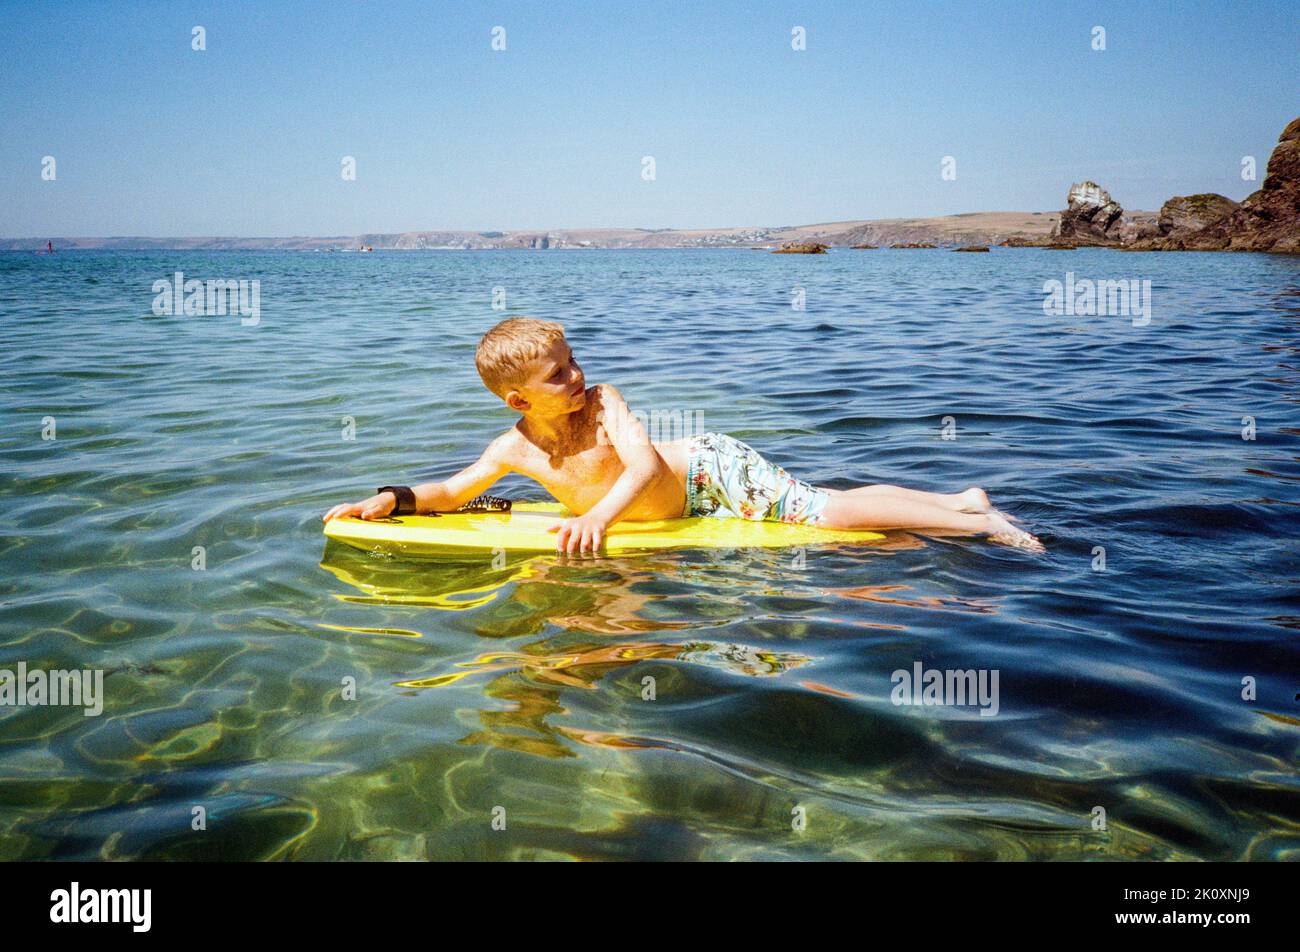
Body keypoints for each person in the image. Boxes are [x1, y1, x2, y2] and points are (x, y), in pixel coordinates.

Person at [323, 317, 1043, 555]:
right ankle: (959, 494)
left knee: (828, 511)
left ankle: (974, 519)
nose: (576, 377)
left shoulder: (604, 403)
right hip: (686, 512)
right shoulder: (515, 447)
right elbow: (454, 491)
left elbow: (637, 468)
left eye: (573, 361)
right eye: (557, 374)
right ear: (518, 399)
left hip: (709, 475)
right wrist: (390, 499)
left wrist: (598, 516)